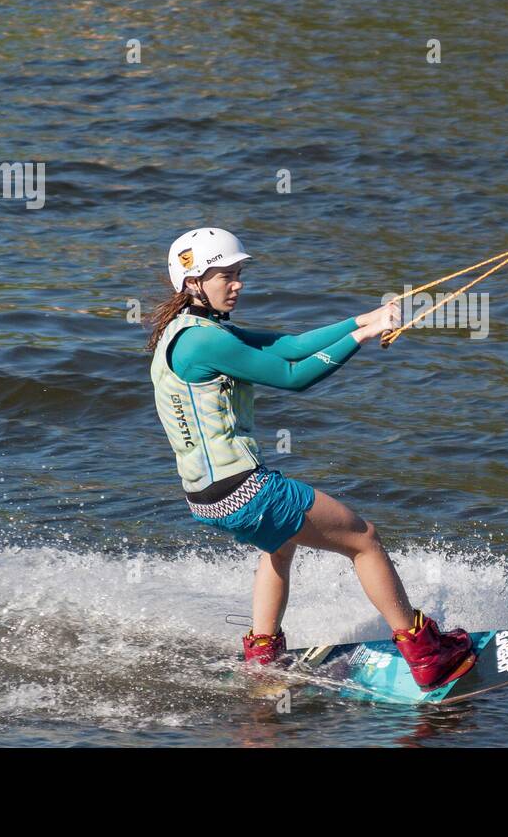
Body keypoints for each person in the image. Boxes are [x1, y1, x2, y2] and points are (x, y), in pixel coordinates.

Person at [146, 228, 475, 691]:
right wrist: (362, 337)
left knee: (279, 547)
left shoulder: (187, 332)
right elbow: (293, 375)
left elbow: (289, 344)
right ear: (194, 282)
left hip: (206, 497)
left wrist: (361, 318)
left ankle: (263, 654)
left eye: (239, 274)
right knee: (364, 540)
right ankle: (424, 652)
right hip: (244, 489)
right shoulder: (205, 342)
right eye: (226, 276)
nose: (237, 284)